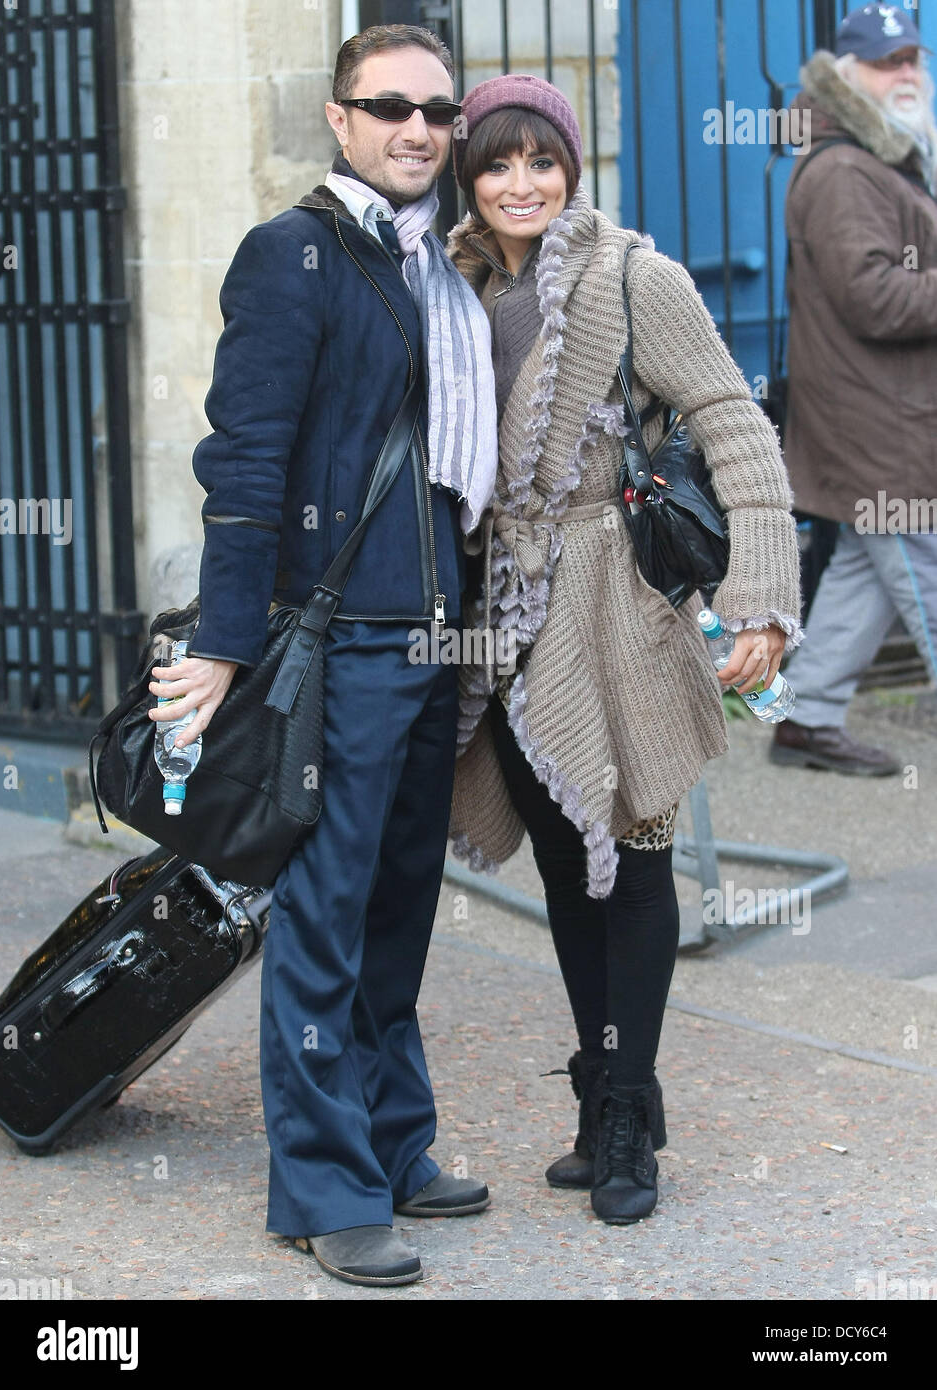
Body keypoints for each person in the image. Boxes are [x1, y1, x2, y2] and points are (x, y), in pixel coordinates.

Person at [148, 25, 496, 1288]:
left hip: (430, 637)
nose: (418, 128)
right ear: (339, 120)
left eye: (436, 111)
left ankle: (394, 1144)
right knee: (323, 915)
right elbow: (242, 460)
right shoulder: (292, 254)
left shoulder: (437, 268)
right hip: (336, 642)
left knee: (399, 909)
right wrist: (227, 641)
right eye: (388, 106)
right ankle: (322, 1185)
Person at [446, 75, 803, 1224]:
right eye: (496, 164)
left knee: (635, 852)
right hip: (507, 602)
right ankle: (597, 1079)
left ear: (571, 168)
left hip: (616, 601)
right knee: (563, 861)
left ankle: (626, 1116)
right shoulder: (451, 286)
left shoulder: (632, 279)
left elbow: (731, 421)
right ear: (469, 177)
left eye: (540, 162)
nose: (519, 185)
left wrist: (759, 597)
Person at [772, 2, 937, 776]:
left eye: (913, 57)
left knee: (868, 573)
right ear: (848, 75)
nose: (905, 73)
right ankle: (800, 717)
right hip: (883, 433)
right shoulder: (844, 168)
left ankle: (802, 717)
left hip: (887, 421)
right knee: (925, 576)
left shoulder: (879, 153)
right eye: (886, 61)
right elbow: (875, 297)